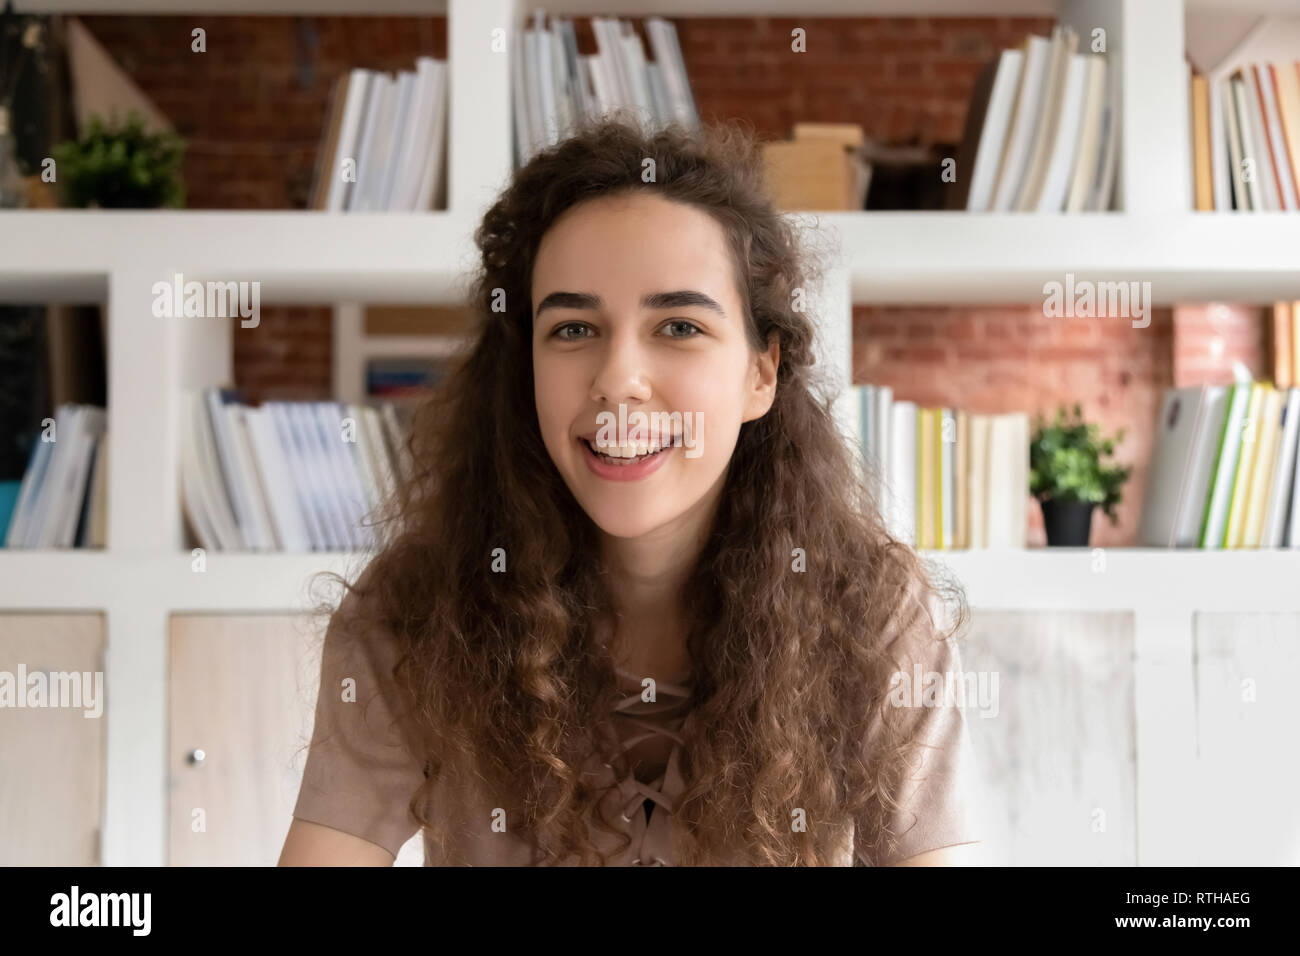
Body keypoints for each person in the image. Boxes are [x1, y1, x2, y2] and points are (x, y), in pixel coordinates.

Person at [279, 117, 980, 866]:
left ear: (761, 373)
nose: (617, 380)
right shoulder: (415, 612)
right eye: (574, 330)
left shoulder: (873, 612)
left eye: (678, 326)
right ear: (527, 372)